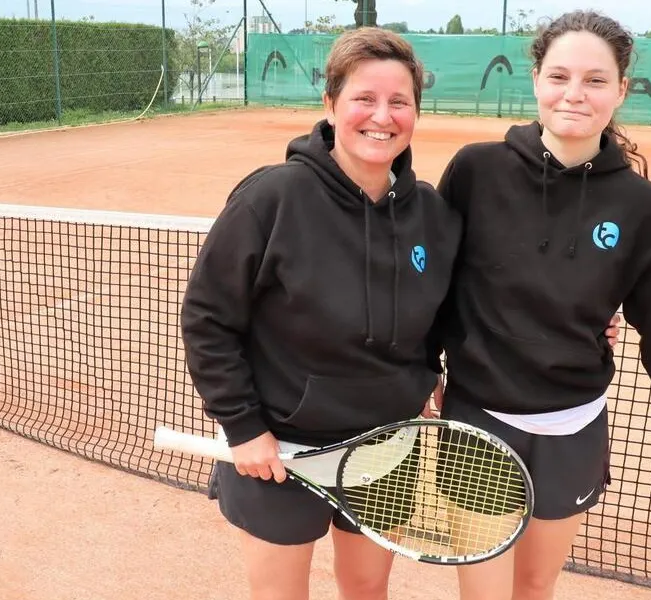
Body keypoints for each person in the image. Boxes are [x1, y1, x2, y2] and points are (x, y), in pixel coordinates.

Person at [430, 10, 651, 600]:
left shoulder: (644, 208)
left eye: (595, 80)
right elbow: (429, 287)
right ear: (537, 80)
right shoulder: (476, 170)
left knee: (536, 587)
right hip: (478, 425)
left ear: (621, 90)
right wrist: (422, 372)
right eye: (559, 76)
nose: (574, 94)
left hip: (573, 432)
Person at [180, 28, 462, 600]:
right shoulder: (272, 198)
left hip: (385, 450)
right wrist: (243, 426)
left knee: (367, 592)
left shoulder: (431, 212)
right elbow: (208, 317)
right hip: (279, 453)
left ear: (415, 112)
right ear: (330, 104)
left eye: (399, 102)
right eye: (364, 98)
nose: (381, 116)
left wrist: (427, 368)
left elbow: (446, 306)